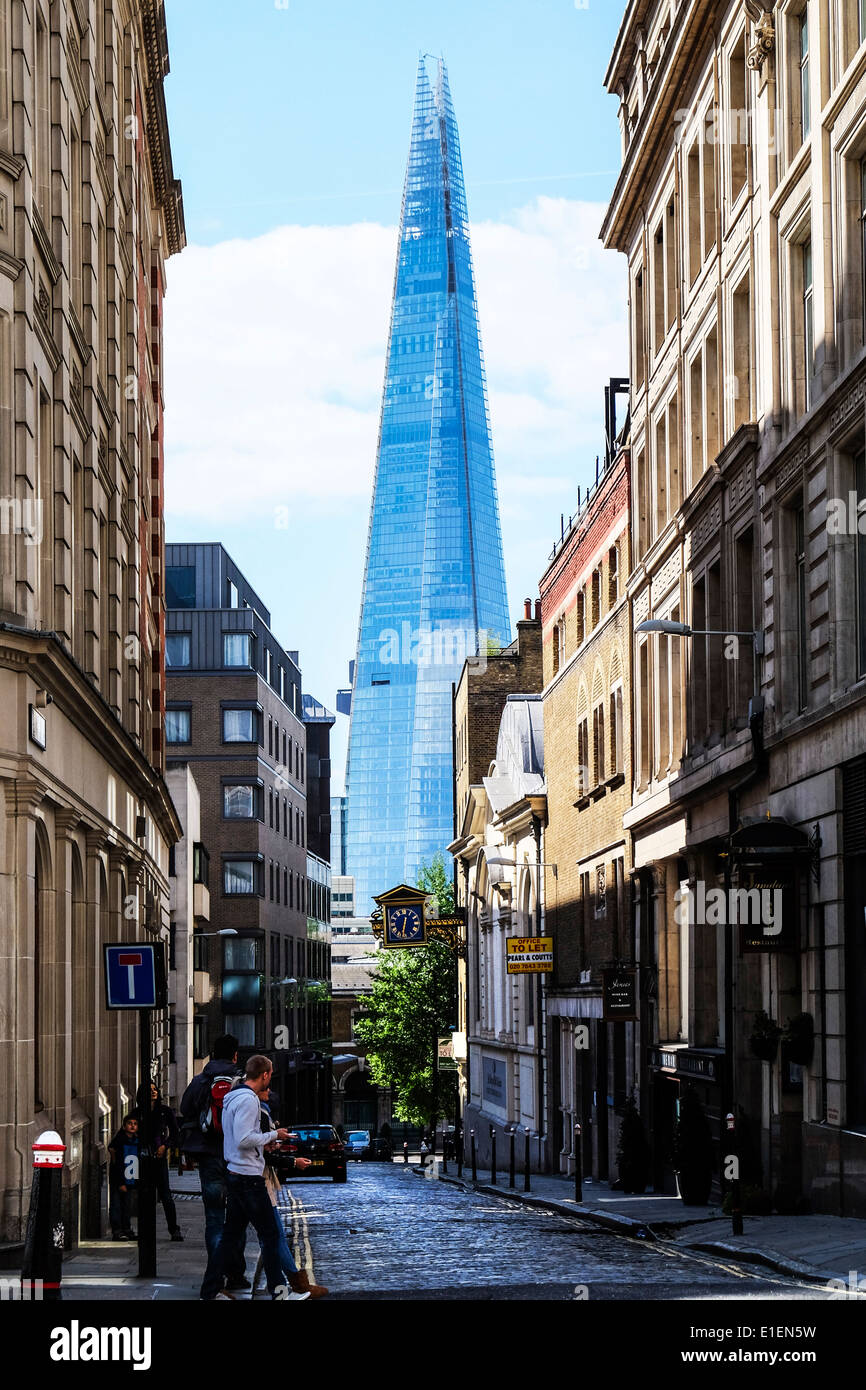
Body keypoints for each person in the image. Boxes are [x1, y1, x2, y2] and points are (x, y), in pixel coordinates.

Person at [199, 1055, 310, 1301]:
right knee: (270, 1236)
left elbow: (240, 1138)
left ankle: (209, 1293)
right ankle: (281, 1294)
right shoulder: (248, 1100)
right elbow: (244, 1139)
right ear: (265, 1075)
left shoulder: (232, 1097)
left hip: (236, 1174)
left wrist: (266, 1141)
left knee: (229, 1239)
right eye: (270, 1075)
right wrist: (273, 1135)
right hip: (249, 1178)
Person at [179, 1034, 248, 1289]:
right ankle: (237, 1275)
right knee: (238, 1219)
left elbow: (185, 1108)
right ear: (235, 1055)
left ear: (211, 1054)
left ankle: (215, 1277)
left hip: (209, 1157)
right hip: (237, 1159)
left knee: (215, 1219)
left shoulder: (201, 1081)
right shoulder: (241, 1082)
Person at [260, 1089, 327, 1299]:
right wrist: (291, 1161)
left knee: (265, 1238)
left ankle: (284, 1288)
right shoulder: (258, 1111)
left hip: (249, 1181)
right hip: (256, 1182)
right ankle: (297, 1285)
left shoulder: (256, 1109)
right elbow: (260, 1153)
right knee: (274, 1236)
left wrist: (274, 1141)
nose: (269, 1090)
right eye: (267, 1086)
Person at [137, 1082, 183, 1241]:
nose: (153, 1092)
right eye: (149, 1090)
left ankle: (174, 1229)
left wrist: (165, 1146)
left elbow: (176, 1134)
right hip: (142, 1158)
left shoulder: (165, 1111)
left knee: (166, 1195)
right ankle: (144, 1229)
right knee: (143, 1194)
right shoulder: (137, 1113)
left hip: (159, 1158)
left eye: (155, 1089)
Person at [107, 1114, 138, 1240]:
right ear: (124, 1126)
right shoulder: (119, 1140)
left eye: (135, 1124)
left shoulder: (137, 1140)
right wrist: (120, 1182)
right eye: (129, 1123)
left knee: (127, 1206)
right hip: (119, 1179)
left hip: (130, 1178)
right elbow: (117, 1163)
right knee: (117, 1205)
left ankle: (127, 1228)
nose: (132, 1126)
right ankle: (117, 1231)